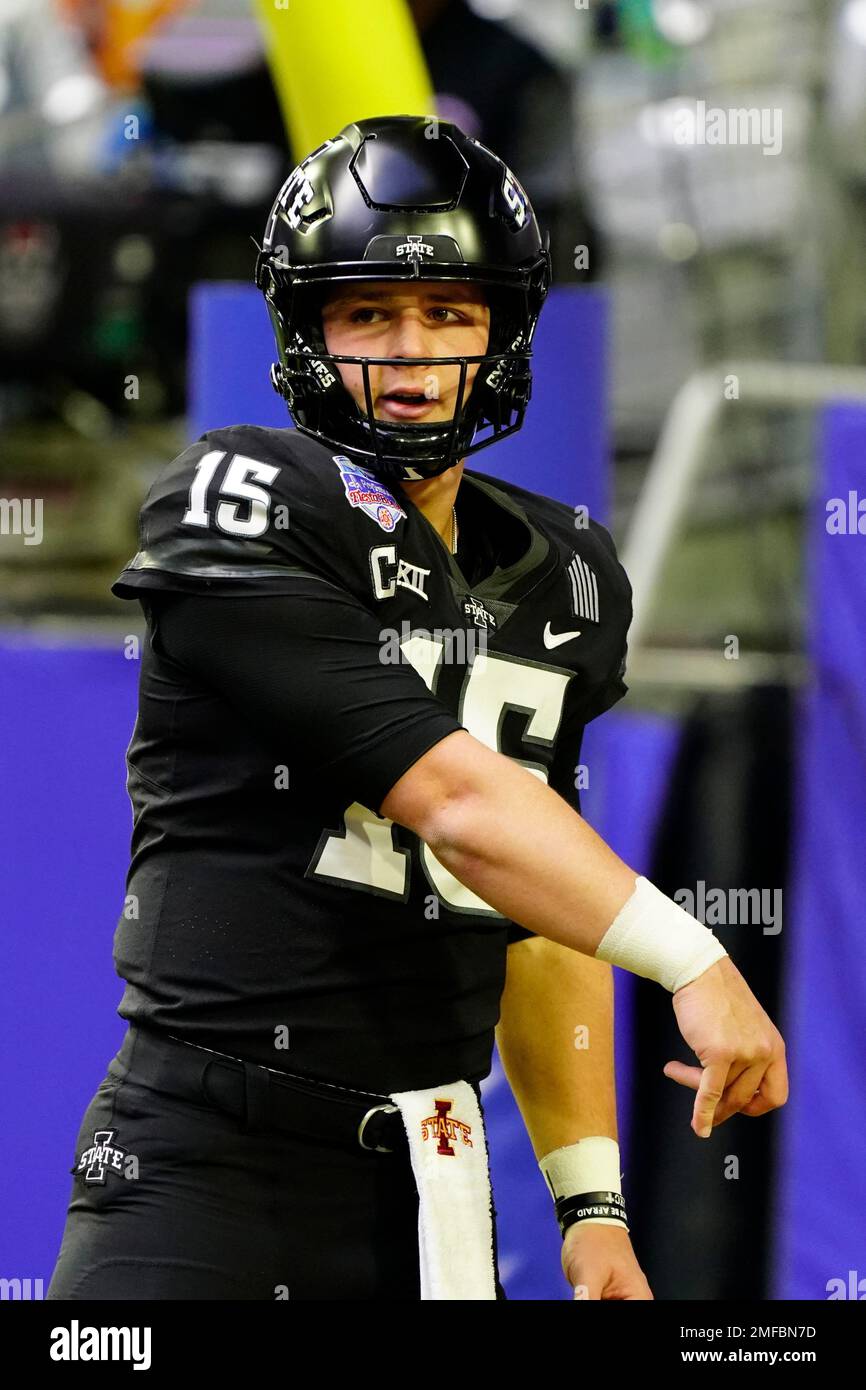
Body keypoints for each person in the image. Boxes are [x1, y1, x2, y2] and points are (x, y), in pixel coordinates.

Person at [46, 115, 787, 1302]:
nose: (409, 351)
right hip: (205, 1157)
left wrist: (588, 1201)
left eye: (448, 313)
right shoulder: (240, 499)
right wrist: (693, 959)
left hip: (432, 1174)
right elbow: (452, 802)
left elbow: (543, 909)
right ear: (305, 330)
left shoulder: (568, 571)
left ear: (502, 327)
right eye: (368, 313)